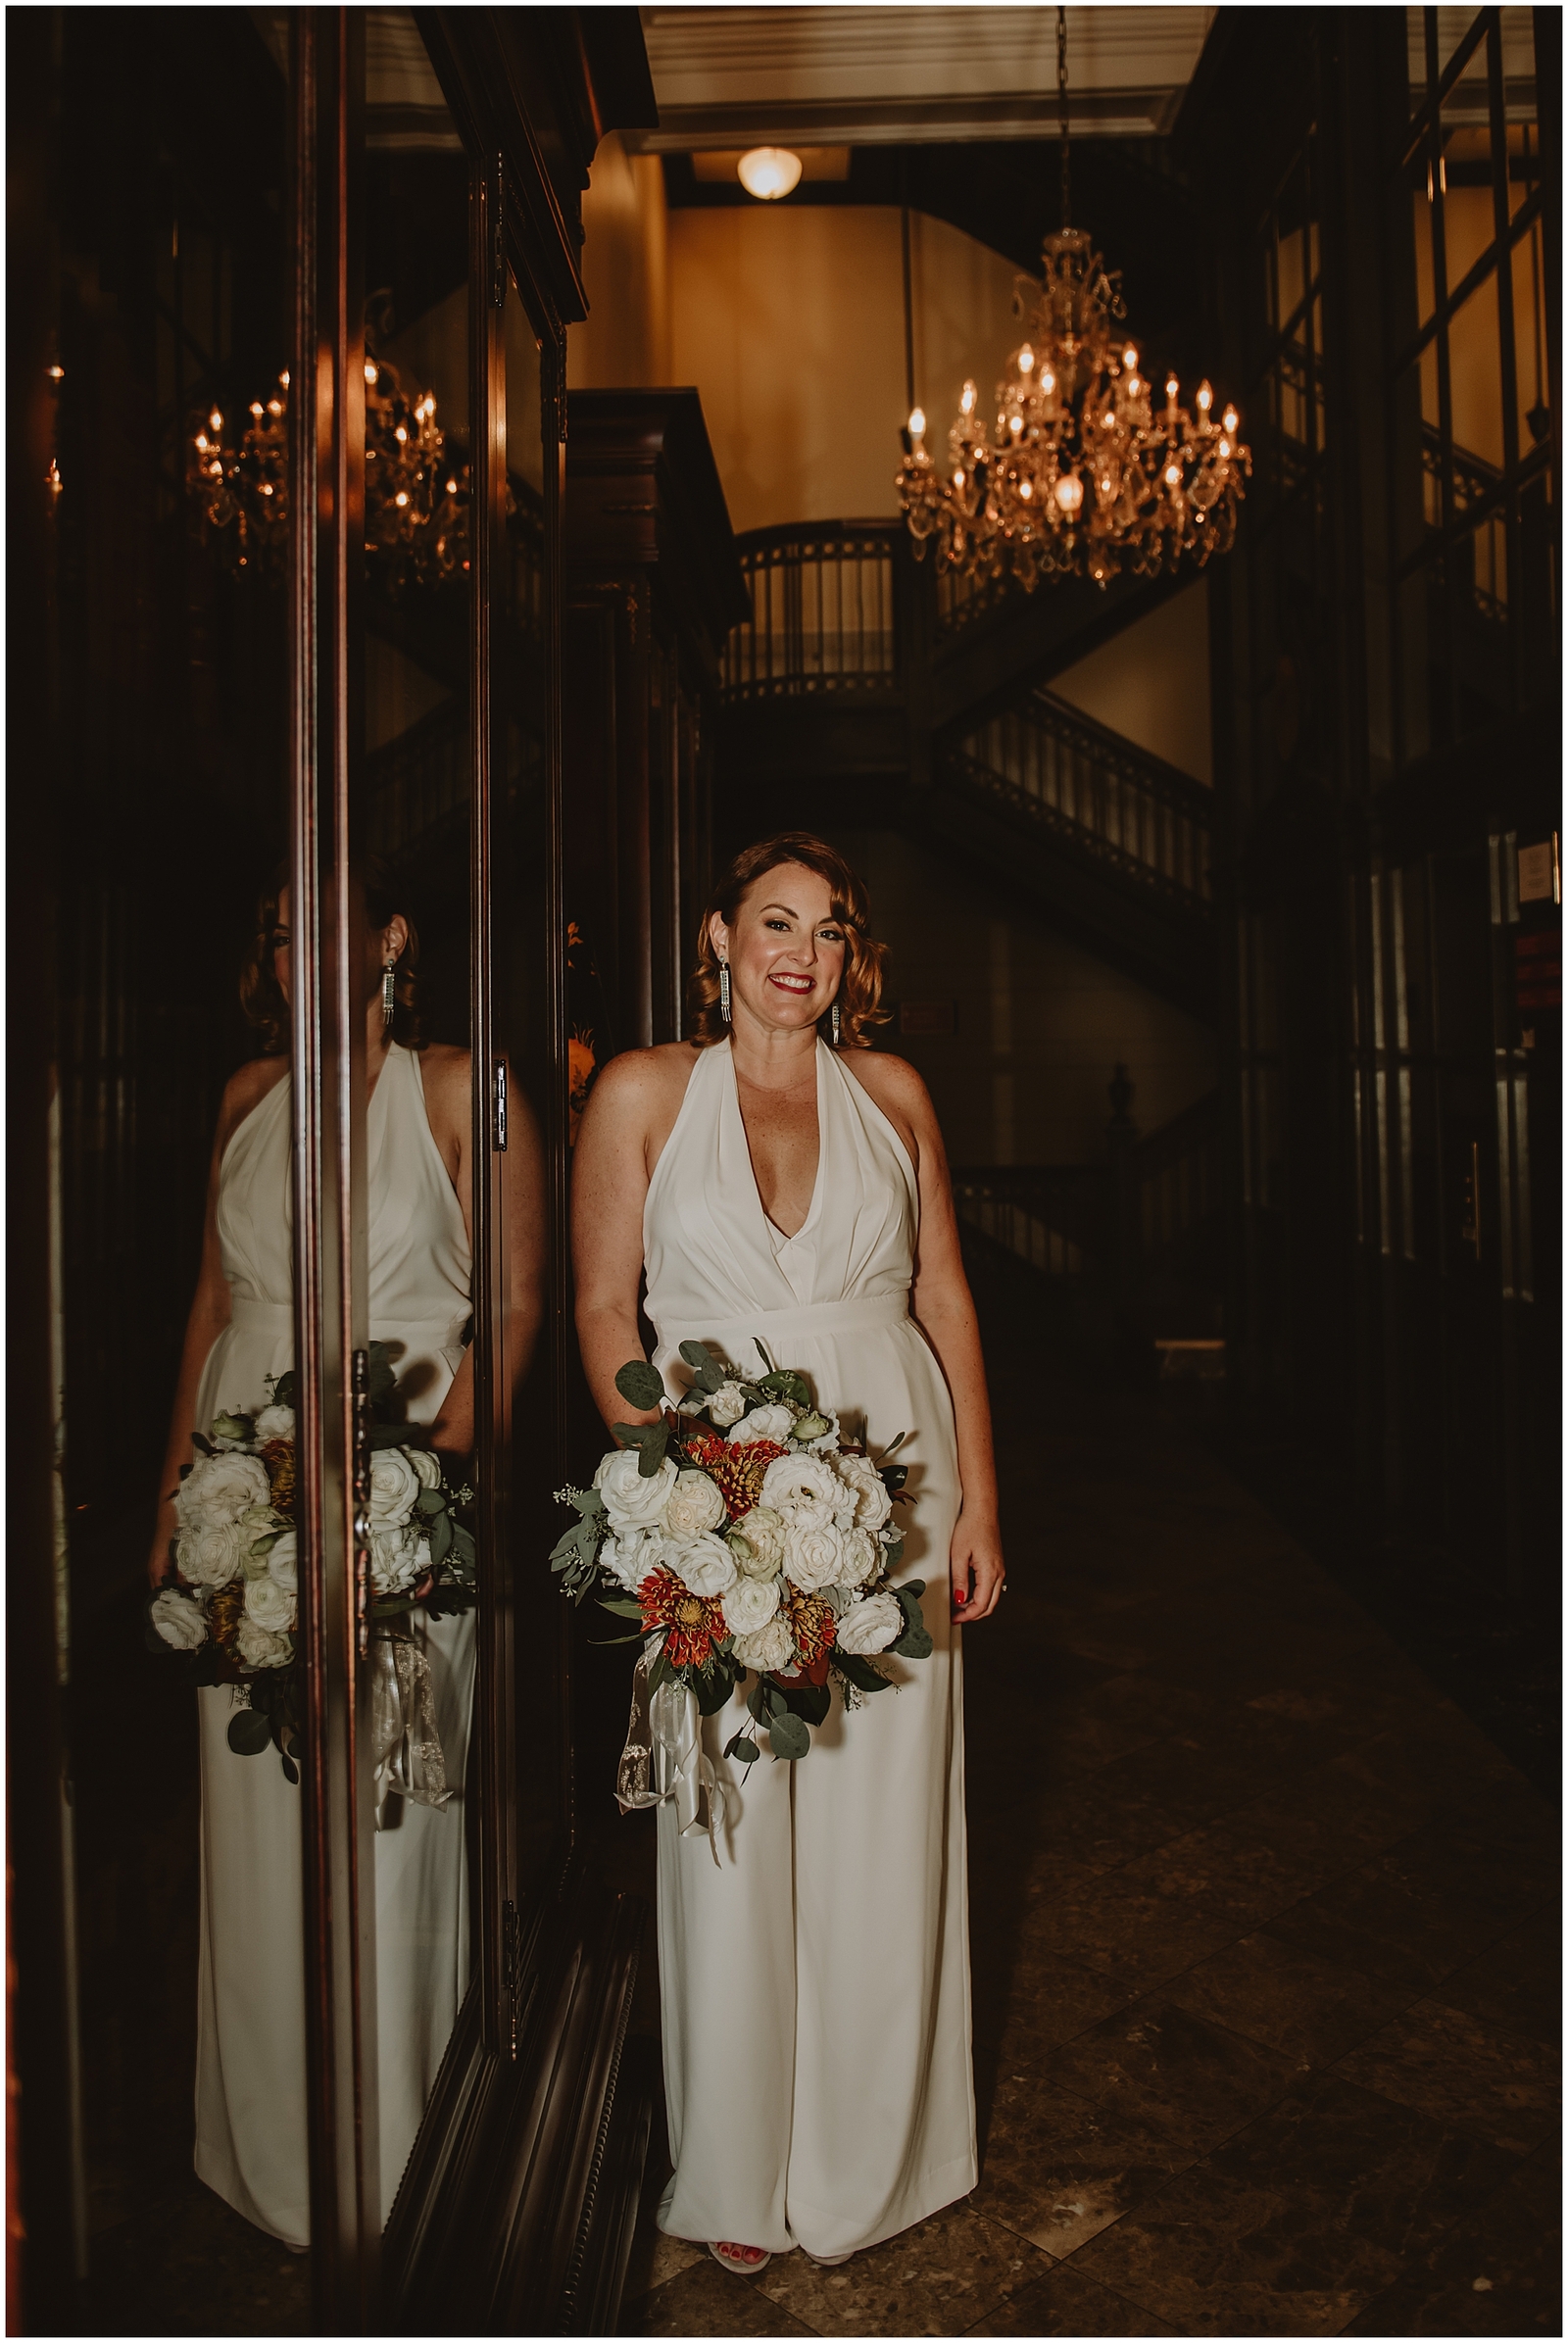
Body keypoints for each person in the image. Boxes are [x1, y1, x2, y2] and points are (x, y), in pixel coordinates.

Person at [571, 830, 1004, 2271]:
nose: (798, 953)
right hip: (718, 1505)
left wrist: (982, 1503)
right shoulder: (642, 1091)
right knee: (735, 1833)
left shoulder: (892, 1095)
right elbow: (598, 1312)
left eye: (826, 930)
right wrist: (674, 1493)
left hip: (899, 1493)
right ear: (718, 935)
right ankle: (742, 2160)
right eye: (774, 921)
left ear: (847, 955)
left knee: (885, 1826)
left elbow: (943, 1294)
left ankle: (869, 2151)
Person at [149, 868, 488, 2248]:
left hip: (400, 1487)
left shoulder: (458, 1088)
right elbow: (215, 1303)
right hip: (244, 1497)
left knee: (390, 1817)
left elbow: (509, 1310)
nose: (294, 948)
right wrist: (181, 1504)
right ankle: (272, 2150)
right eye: (277, 926)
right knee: (258, 1826)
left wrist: (433, 1491)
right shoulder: (245, 1096)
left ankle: (404, 2138)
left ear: (391, 942)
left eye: (323, 923)